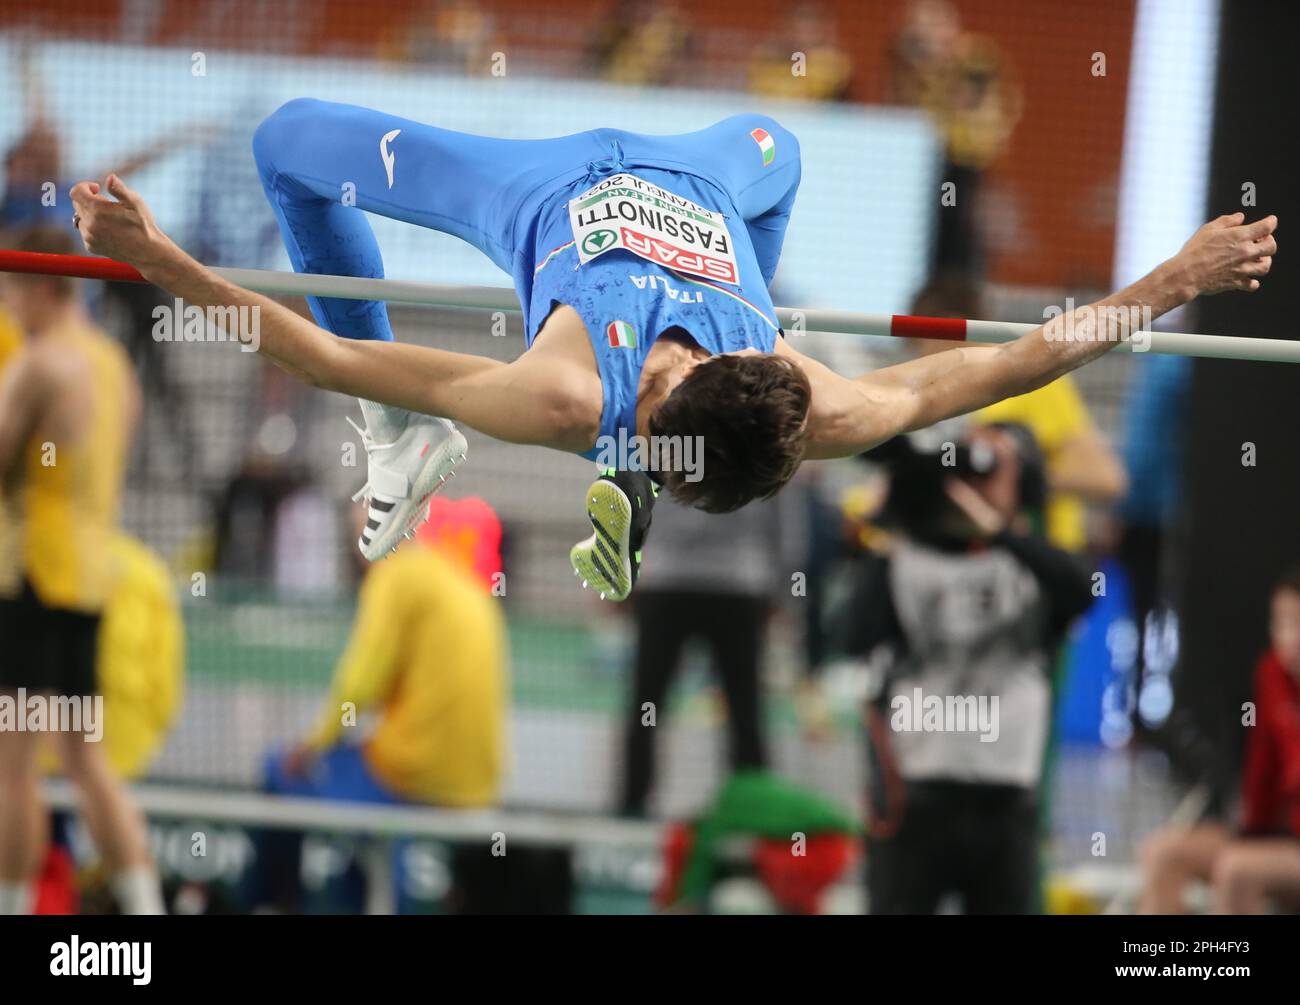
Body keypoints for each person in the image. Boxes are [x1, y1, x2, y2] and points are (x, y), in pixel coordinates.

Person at [65, 98, 1276, 604]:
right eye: (652, 434)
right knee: (782, 145)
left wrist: (155, 257)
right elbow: (1019, 358)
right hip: (711, 161)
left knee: (286, 145)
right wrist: (1175, 276)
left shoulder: (560, 387)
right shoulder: (812, 399)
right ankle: (563, 464)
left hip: (533, 196)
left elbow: (321, 357)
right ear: (710, 389)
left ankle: (399, 446)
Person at [841, 425, 1093, 913]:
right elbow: (853, 637)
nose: (977, 477)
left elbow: (1079, 592)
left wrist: (999, 530)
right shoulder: (903, 557)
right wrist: (896, 512)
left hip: (1006, 799)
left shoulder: (1038, 565)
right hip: (917, 791)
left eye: (997, 465)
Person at [0, 225, 163, 915]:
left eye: (9, 285)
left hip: (33, 578)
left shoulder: (40, 363)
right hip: (93, 583)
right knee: (84, 757)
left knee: (10, 767)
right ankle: (146, 907)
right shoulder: (112, 364)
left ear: (40, 282)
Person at [253, 495, 507, 912]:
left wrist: (311, 746)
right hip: (479, 784)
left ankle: (269, 906)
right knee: (357, 827)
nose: (361, 544)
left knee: (278, 772)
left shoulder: (394, 575)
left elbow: (359, 684)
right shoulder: (454, 574)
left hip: (413, 777)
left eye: (366, 530)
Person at [1137, 567, 1300, 914]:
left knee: (1237, 871)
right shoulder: (1271, 673)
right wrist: (1248, 822)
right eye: (1281, 622)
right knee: (1163, 854)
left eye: (1297, 623)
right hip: (1272, 835)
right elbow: (1263, 768)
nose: (1288, 637)